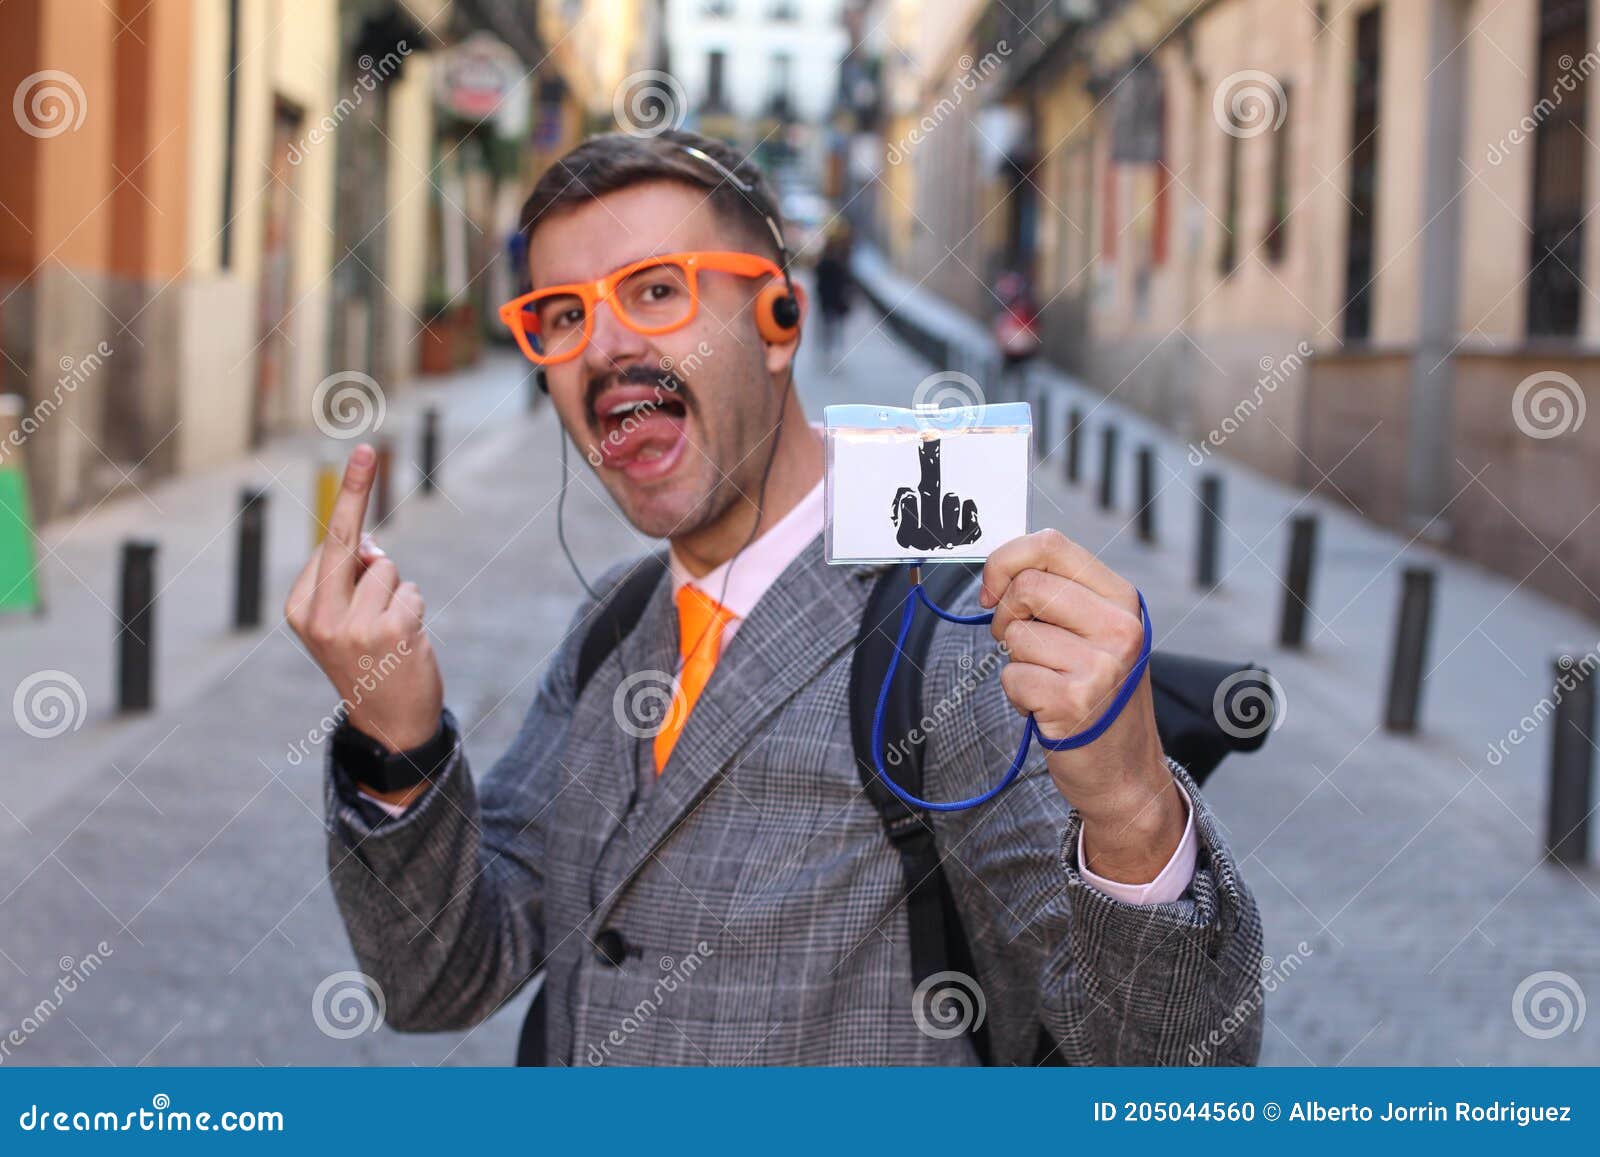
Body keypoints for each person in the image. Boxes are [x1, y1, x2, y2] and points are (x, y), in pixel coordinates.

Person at [285, 129, 1263, 1066]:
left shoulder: (960, 640)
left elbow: (1169, 1067)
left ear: (779, 322)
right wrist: (397, 741)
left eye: (656, 290)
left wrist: (1131, 815)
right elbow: (442, 976)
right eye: (564, 315)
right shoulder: (611, 627)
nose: (602, 345)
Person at [813, 223, 853, 365]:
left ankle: (830, 352)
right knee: (831, 327)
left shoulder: (831, 262)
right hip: (831, 299)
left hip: (830, 299)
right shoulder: (835, 263)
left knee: (830, 327)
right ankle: (831, 352)